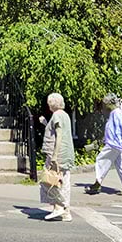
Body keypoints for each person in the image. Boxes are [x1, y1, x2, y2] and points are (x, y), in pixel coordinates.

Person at [86, 93, 122, 196]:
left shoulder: (116, 113)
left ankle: (97, 183)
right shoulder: (115, 113)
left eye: (105, 104)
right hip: (117, 144)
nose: (105, 106)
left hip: (114, 144)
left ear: (110, 103)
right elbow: (112, 130)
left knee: (101, 160)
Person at [39, 92, 75, 222]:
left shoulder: (56, 115)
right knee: (64, 181)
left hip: (58, 154)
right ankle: (66, 212)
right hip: (66, 154)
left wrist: (54, 156)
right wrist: (45, 123)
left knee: (49, 181)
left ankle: (58, 207)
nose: (48, 105)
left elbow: (59, 136)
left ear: (52, 103)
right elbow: (57, 131)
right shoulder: (64, 115)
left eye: (49, 103)